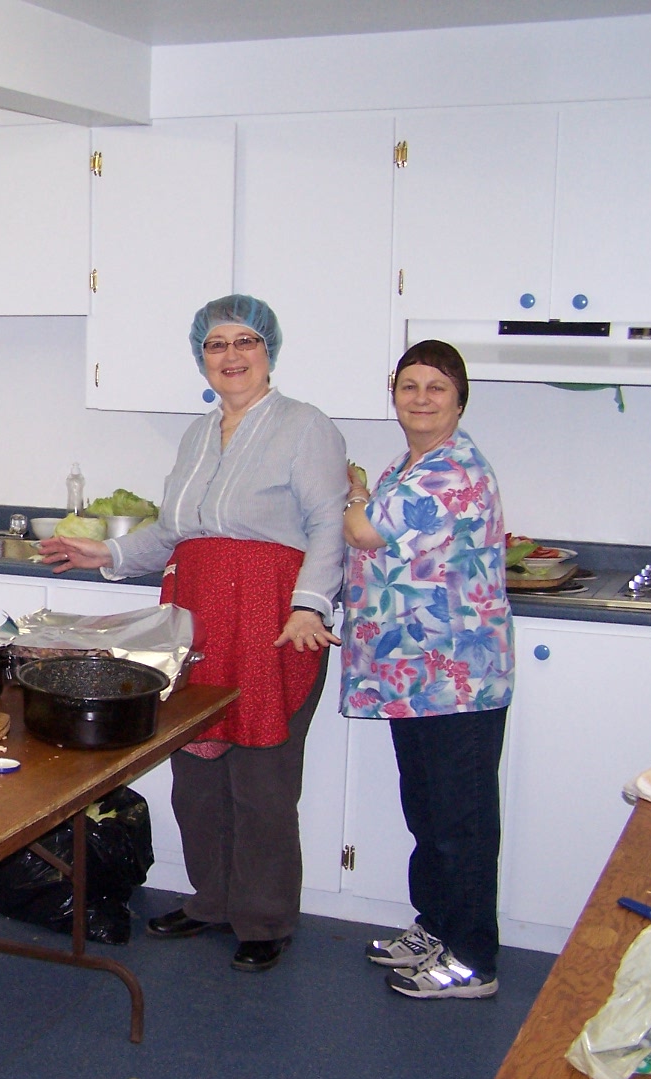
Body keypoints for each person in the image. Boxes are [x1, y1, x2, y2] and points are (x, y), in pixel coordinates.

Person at [39, 294, 346, 973]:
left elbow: (329, 524)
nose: (231, 356)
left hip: (272, 616)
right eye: (216, 345)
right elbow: (178, 534)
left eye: (245, 343)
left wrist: (311, 607)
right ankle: (211, 899)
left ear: (269, 351)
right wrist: (107, 556)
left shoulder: (305, 426)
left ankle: (263, 918)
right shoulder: (198, 434)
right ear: (201, 357)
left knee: (262, 776)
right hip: (197, 613)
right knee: (194, 765)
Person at [341, 339, 513, 1000]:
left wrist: (354, 499)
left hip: (456, 678)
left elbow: (364, 533)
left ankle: (473, 960)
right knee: (429, 813)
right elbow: (374, 521)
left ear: (459, 399)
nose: (420, 398)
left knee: (461, 824)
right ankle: (435, 928)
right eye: (409, 385)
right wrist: (362, 493)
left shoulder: (452, 470)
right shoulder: (410, 464)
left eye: (435, 387)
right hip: (414, 676)